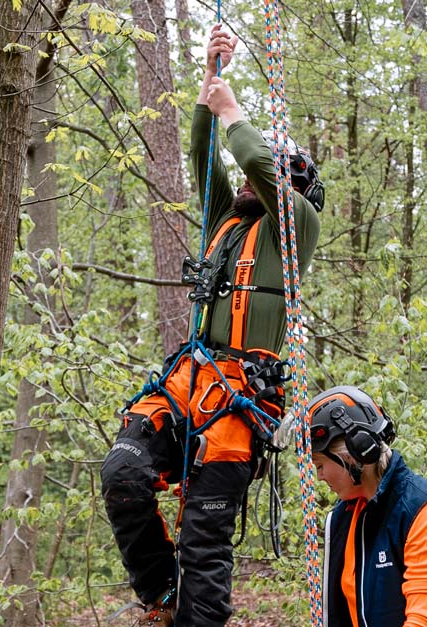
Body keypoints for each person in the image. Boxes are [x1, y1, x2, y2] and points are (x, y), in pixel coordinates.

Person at [100, 24, 323, 627]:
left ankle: (197, 615)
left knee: (204, 540)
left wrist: (234, 110)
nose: (248, 179)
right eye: (252, 175)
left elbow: (252, 155)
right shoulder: (230, 216)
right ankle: (162, 601)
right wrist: (209, 80)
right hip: (189, 381)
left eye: (266, 175)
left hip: (240, 401)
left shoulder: (294, 222)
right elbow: (203, 156)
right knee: (123, 472)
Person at [306, 386, 427, 627]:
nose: (319, 477)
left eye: (320, 465)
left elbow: (423, 620)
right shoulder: (344, 517)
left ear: (351, 455)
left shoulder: (423, 512)